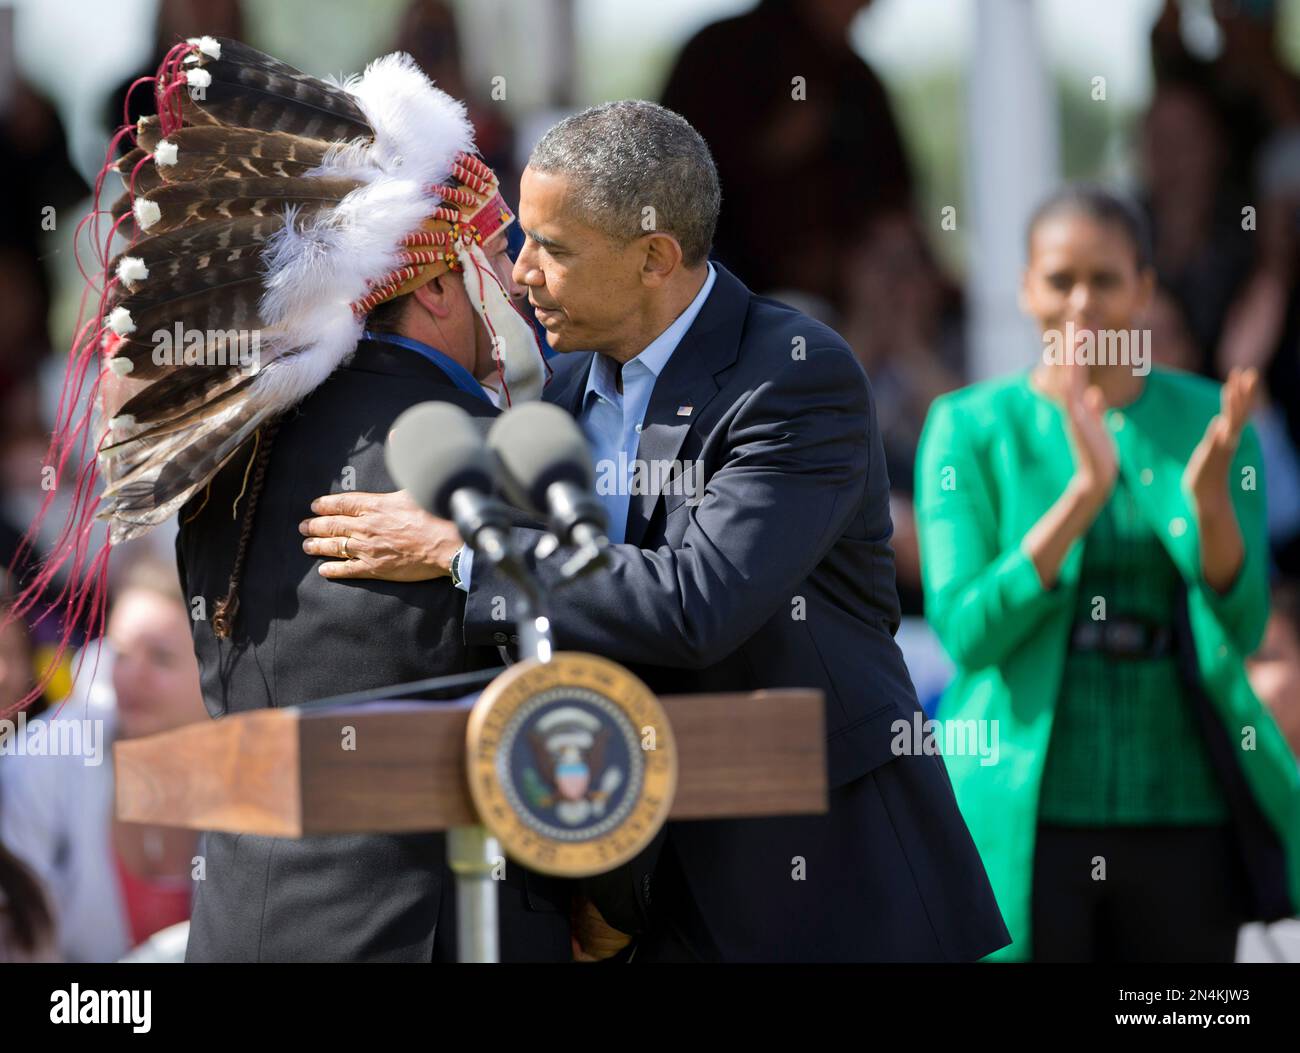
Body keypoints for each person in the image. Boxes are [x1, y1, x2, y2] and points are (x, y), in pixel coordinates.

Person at [299, 100, 1010, 963]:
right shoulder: (554, 393)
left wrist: (462, 549)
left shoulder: (794, 376)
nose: (520, 273)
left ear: (654, 259)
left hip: (827, 895)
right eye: (522, 241)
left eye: (553, 249)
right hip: (639, 906)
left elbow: (695, 603)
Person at [15, 37, 561, 962]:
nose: (515, 289)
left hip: (240, 924)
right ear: (435, 286)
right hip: (429, 930)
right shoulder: (483, 450)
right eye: (491, 262)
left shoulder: (227, 441)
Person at [914, 184, 1300, 962]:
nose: (1082, 301)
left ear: (1145, 288)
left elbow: (1245, 623)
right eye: (1060, 278)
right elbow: (967, 631)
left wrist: (1215, 508)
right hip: (1024, 800)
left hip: (1184, 801)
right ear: (1025, 287)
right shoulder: (971, 427)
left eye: (1107, 278)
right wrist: (1083, 497)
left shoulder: (1208, 418)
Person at [0, 560, 205, 961]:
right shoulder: (37, 762)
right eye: (121, 653)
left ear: (215, 671)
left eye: (161, 658)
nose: (132, 675)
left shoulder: (258, 773)